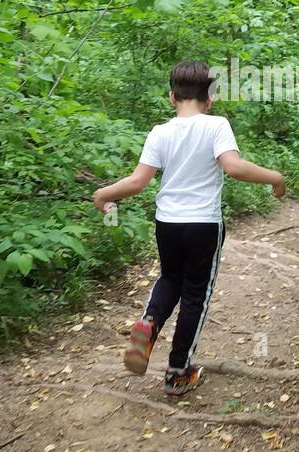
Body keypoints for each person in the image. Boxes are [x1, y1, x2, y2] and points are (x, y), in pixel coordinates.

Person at [92, 61, 286, 395]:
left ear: (171, 97)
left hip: (167, 223)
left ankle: (149, 324)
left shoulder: (159, 132)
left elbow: (139, 181)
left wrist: (105, 193)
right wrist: (276, 178)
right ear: (209, 99)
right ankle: (178, 371)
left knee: (169, 278)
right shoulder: (216, 126)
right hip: (203, 225)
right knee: (195, 293)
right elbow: (234, 167)